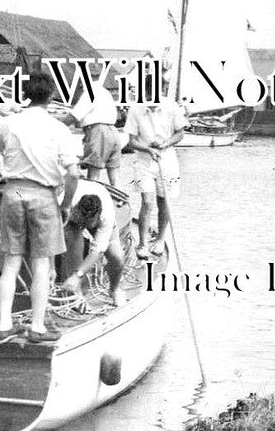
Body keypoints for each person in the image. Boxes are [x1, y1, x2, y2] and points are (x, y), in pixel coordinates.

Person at [0, 71, 81, 343]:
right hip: (44, 196)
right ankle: (37, 327)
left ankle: (4, 324)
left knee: (11, 261)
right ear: (51, 96)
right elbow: (73, 174)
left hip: (13, 192)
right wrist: (66, 205)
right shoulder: (59, 129)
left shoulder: (8, 123)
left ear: (25, 95)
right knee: (41, 264)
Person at [122, 72, 187, 259]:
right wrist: (148, 149)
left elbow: (180, 133)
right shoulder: (136, 109)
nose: (152, 100)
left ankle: (160, 239)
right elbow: (131, 141)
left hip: (167, 160)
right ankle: (142, 244)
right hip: (143, 161)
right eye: (149, 95)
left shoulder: (171, 106)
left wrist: (164, 144)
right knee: (147, 202)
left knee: (163, 201)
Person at [59, 181, 127, 307]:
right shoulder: (64, 201)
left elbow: (98, 251)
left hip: (97, 208)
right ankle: (76, 295)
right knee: (74, 244)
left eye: (88, 223)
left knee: (117, 256)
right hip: (71, 215)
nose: (84, 225)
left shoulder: (106, 216)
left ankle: (114, 289)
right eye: (82, 221)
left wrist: (78, 275)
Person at [69, 83, 123, 186]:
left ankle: (92, 194)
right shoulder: (104, 91)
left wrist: (54, 124)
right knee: (115, 177)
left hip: (99, 131)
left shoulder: (89, 92)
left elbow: (74, 116)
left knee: (93, 175)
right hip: (113, 131)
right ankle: (119, 196)